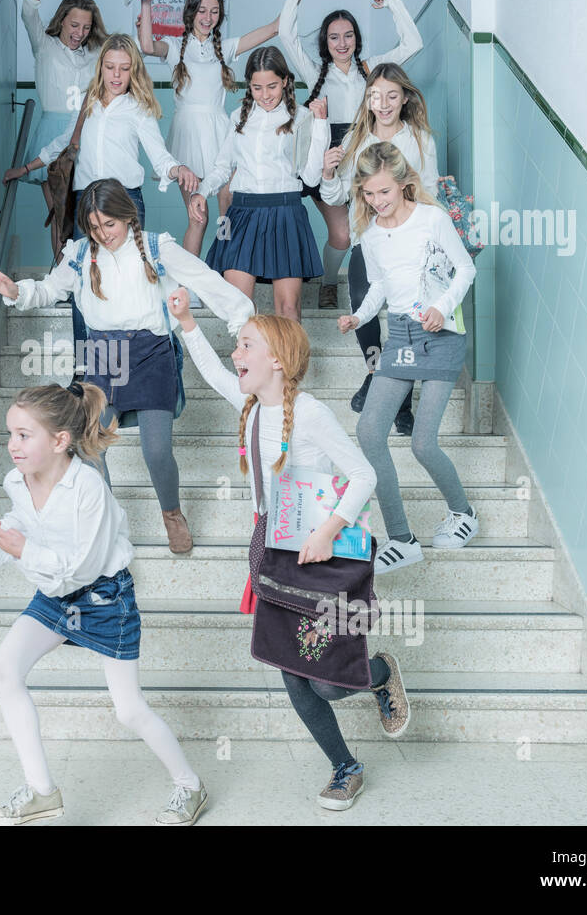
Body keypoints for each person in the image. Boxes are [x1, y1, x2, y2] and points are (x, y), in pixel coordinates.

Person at [167, 296, 409, 811]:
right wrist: (187, 322)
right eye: (238, 345)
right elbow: (211, 371)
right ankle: (346, 767)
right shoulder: (252, 407)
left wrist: (328, 530)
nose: (236, 353)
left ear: (277, 357)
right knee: (292, 672)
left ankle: (380, 673)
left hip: (325, 555)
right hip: (271, 550)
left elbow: (364, 474)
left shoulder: (313, 414)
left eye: (246, 344)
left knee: (329, 685)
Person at [0, 382, 208, 826]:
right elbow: (14, 525)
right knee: (3, 669)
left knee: (128, 710)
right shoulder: (18, 480)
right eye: (11, 434)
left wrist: (23, 551)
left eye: (24, 435)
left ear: (60, 441)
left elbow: (80, 569)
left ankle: (190, 785)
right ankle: (42, 792)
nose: (12, 445)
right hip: (54, 596)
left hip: (104, 597)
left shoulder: (88, 487)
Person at [0, 178, 254, 553]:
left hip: (151, 352)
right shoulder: (79, 254)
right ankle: (103, 522)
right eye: (94, 227)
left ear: (127, 215)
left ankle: (172, 514)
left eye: (110, 224)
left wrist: (241, 321)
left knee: (156, 450)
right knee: (91, 447)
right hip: (102, 355)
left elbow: (206, 281)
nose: (103, 234)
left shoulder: (158, 247)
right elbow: (48, 289)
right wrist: (16, 291)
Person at [5, 34, 199, 351]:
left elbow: (160, 156)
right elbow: (63, 144)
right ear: (101, 68)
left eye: (124, 68)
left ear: (133, 70)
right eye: (110, 67)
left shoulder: (139, 109)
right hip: (86, 203)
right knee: (84, 281)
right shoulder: (87, 102)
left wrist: (178, 170)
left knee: (128, 281)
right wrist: (26, 168)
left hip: (125, 202)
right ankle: (86, 369)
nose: (116, 75)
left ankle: (131, 359)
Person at [339, 141, 478, 574]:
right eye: (368, 193)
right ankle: (402, 539)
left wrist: (441, 308)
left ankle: (464, 514)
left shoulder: (432, 220)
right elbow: (379, 286)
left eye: (384, 191)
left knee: (422, 442)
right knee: (369, 432)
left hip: (440, 334)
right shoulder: (370, 234)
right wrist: (359, 315)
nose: (377, 201)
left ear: (403, 185)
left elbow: (466, 269)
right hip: (399, 333)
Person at [278, 0, 422, 310]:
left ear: (356, 38)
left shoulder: (370, 70)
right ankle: (328, 283)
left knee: (370, 233)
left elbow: (413, 44)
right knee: (341, 236)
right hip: (327, 160)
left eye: (348, 35)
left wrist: (394, 3)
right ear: (325, 42)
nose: (341, 43)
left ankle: (378, 291)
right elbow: (285, 32)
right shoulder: (315, 73)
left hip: (364, 157)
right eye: (333, 37)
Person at [321, 62, 439, 432]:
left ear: (405, 98)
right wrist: (326, 173)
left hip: (410, 248)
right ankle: (376, 372)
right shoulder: (355, 139)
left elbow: (431, 192)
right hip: (367, 242)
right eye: (376, 96)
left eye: (392, 95)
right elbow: (337, 194)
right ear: (367, 99)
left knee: (405, 327)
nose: (384, 103)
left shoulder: (420, 139)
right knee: (363, 311)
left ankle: (401, 404)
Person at [136, 0, 293, 256]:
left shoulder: (226, 47)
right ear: (191, 11)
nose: (208, 18)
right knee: (198, 216)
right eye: (202, 11)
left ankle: (224, 262)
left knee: (227, 204)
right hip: (187, 135)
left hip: (219, 132)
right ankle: (191, 286)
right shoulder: (175, 47)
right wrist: (146, 0)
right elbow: (147, 46)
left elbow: (276, 26)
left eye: (215, 11)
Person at [189, 45, 330, 323]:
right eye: (257, 88)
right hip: (241, 214)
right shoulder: (237, 118)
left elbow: (312, 177)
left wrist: (322, 124)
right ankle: (248, 367)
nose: (265, 95)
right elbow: (222, 167)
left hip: (286, 212)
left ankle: (288, 367)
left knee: (288, 310)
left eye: (272, 86)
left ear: (285, 81)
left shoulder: (302, 118)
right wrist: (201, 192)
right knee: (238, 308)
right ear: (248, 86)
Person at [18, 0, 107, 184]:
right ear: (62, 20)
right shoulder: (44, 45)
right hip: (50, 133)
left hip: (84, 133)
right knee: (58, 218)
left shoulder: (95, 53)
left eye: (87, 27)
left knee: (82, 214)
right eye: (74, 25)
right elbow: (28, 11)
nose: (80, 33)